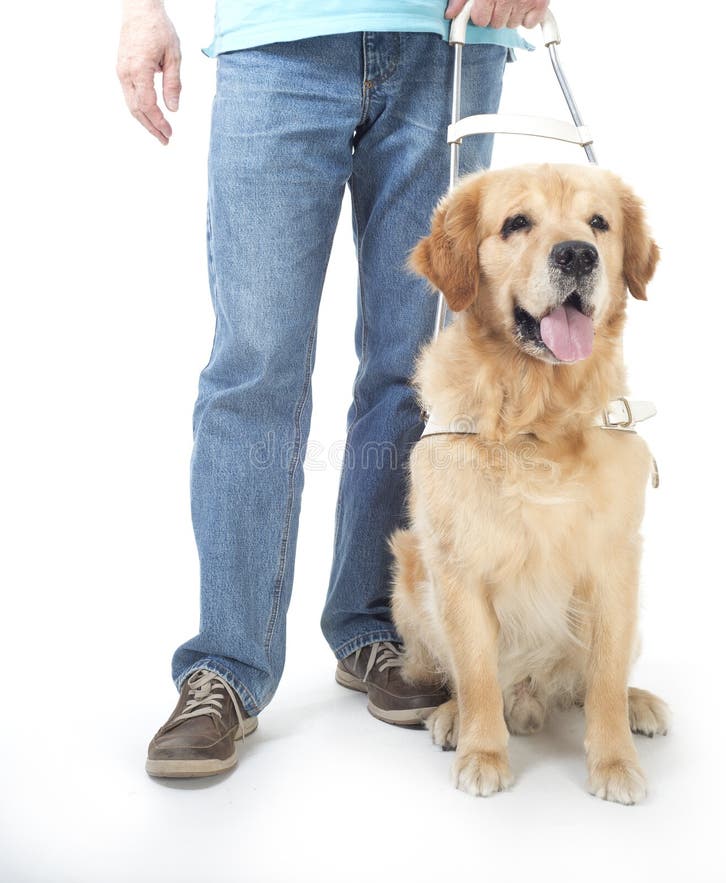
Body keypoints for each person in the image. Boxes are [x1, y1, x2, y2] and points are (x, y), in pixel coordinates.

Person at [117, 0, 549, 779]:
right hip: (276, 43)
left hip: (447, 45)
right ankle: (226, 664)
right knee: (255, 368)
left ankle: (374, 625)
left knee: (413, 367)